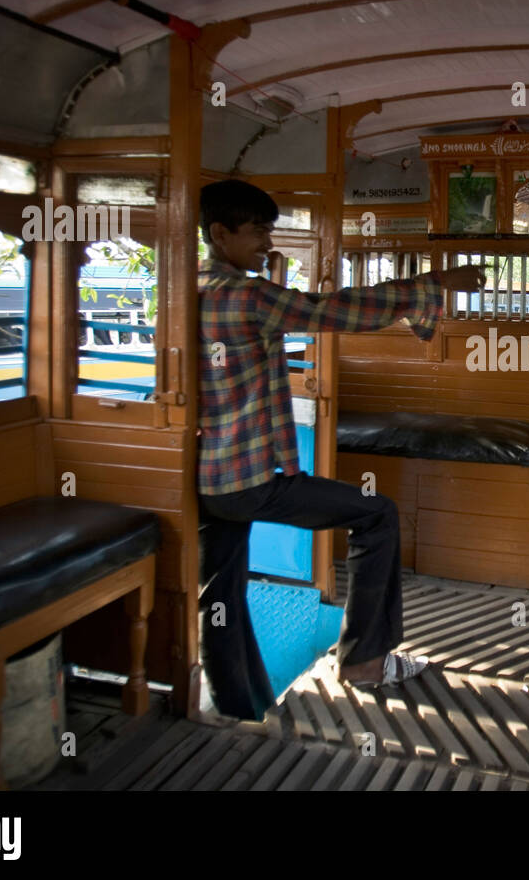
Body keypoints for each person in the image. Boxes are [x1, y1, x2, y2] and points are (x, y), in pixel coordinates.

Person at [195, 179, 484, 720]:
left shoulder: (187, 286)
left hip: (209, 479)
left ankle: (235, 708)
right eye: (257, 232)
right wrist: (437, 282)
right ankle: (364, 662)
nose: (267, 244)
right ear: (219, 233)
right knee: (377, 515)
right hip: (251, 478)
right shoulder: (247, 296)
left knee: (219, 598)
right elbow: (337, 310)